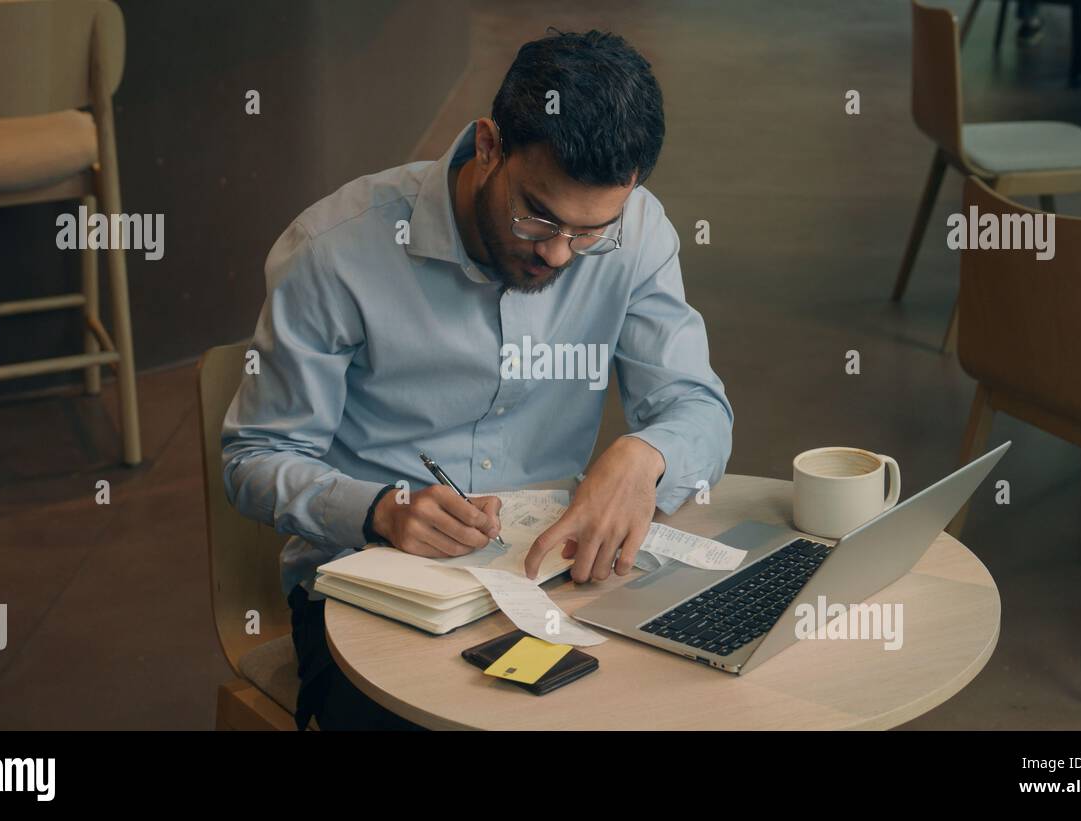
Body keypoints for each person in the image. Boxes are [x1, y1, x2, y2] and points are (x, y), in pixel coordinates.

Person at [221, 28, 734, 730]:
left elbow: (698, 405)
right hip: (373, 603)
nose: (558, 253)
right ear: (490, 147)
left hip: (549, 584)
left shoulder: (637, 233)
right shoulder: (336, 252)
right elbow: (253, 458)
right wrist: (379, 508)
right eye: (538, 216)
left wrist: (646, 456)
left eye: (590, 233)